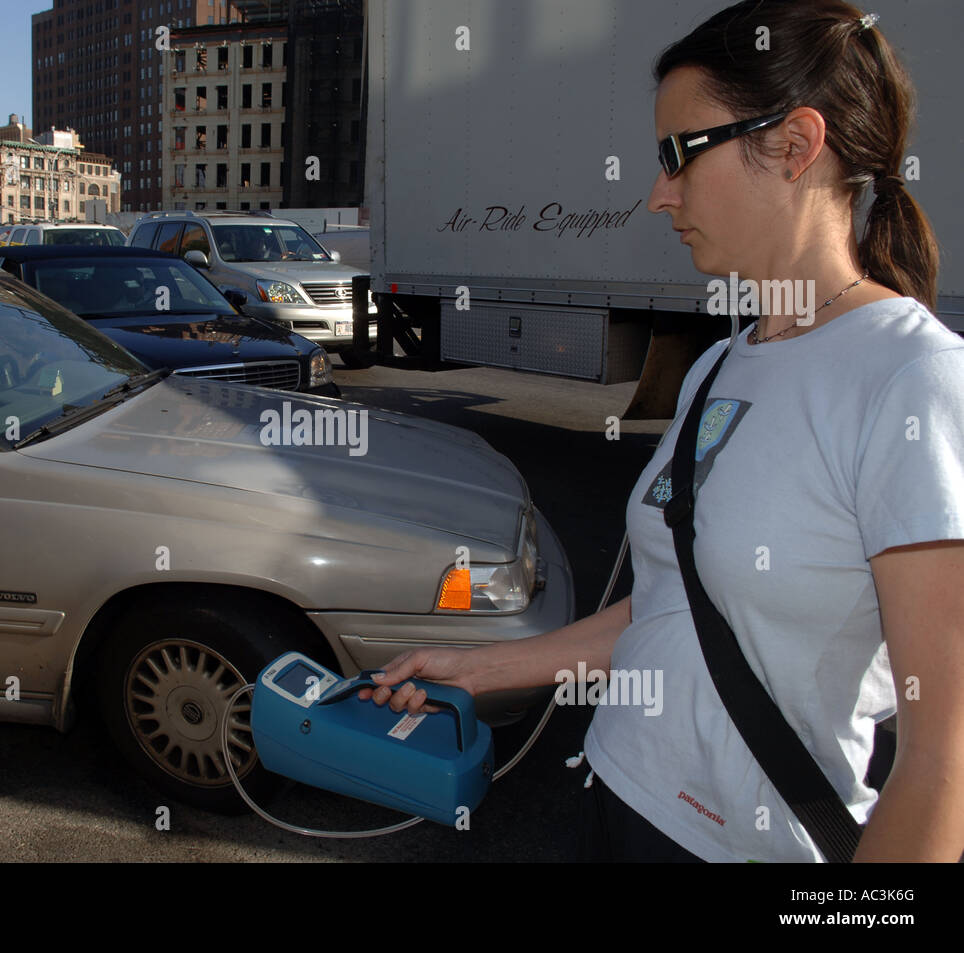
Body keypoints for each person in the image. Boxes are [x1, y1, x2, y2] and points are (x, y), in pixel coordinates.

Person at [364, 0, 964, 863]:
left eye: (682, 154)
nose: (658, 194)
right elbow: (677, 607)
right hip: (615, 799)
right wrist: (478, 666)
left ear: (796, 145)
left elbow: (942, 763)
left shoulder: (910, 379)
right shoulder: (719, 368)